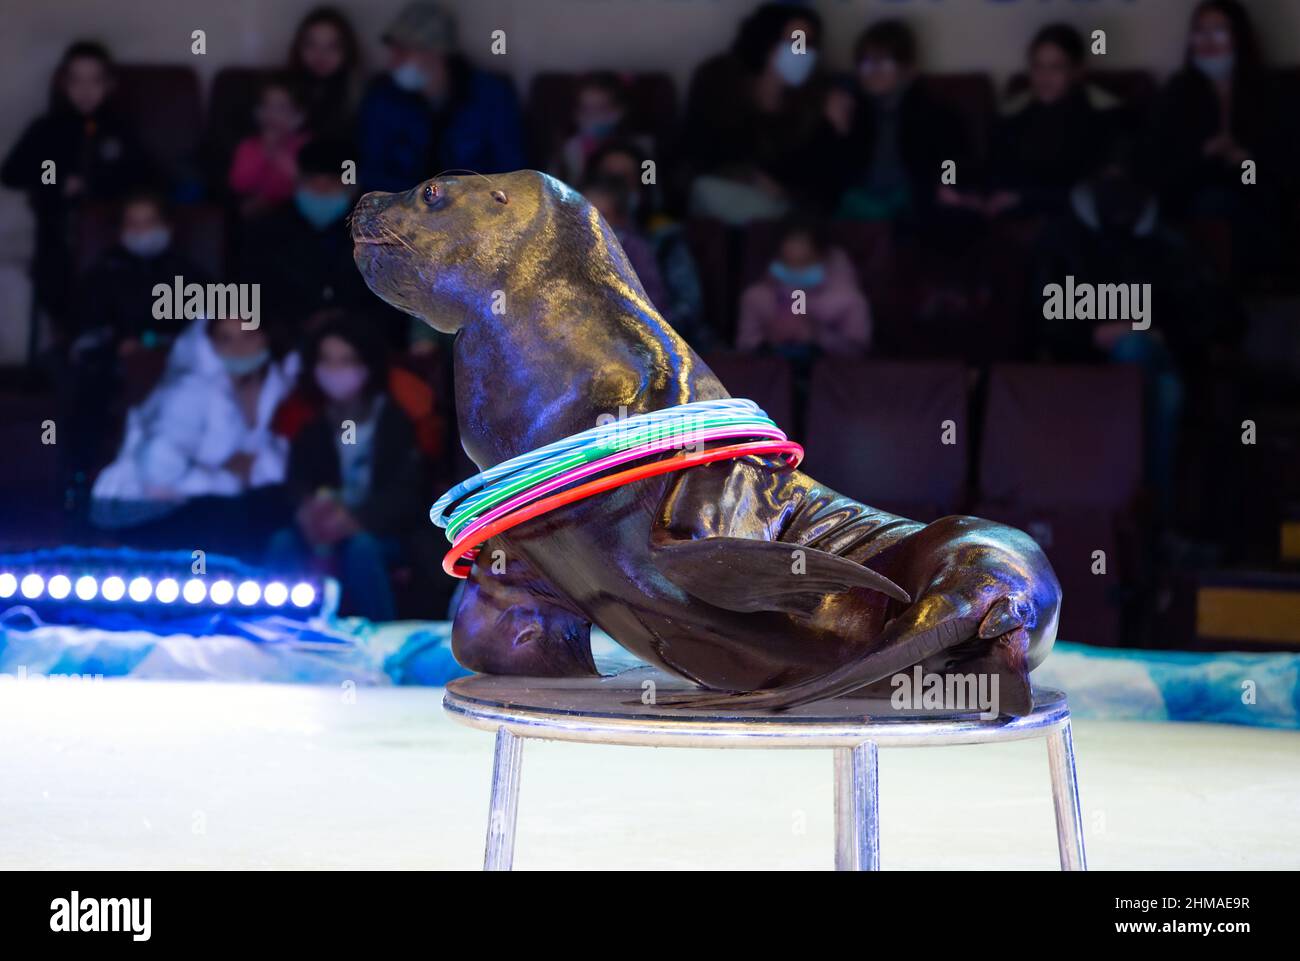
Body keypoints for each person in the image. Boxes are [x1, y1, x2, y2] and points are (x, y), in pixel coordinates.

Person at [89, 315, 296, 560]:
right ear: (210, 344)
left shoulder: (274, 388)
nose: (239, 348)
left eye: (248, 336)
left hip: (207, 507)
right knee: (236, 517)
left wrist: (240, 476)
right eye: (226, 339)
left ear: (264, 339)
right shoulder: (189, 390)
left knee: (272, 510)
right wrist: (228, 478)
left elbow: (272, 465)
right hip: (137, 507)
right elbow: (157, 471)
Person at [267, 320, 430, 621]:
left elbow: (408, 495)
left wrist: (358, 520)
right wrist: (308, 511)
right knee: (282, 542)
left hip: (380, 533)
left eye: (346, 360)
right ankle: (279, 633)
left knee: (361, 549)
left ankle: (380, 641)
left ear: (366, 366)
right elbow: (296, 485)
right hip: (322, 531)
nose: (335, 370)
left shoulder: (394, 423)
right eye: (326, 360)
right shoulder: (312, 428)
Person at [1, 42, 144, 329]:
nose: (85, 90)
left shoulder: (119, 129)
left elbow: (141, 176)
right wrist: (55, 181)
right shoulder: (47, 128)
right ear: (64, 84)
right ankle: (69, 340)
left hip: (109, 232)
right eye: (76, 81)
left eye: (94, 81)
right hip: (58, 234)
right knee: (60, 284)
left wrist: (97, 183)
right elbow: (12, 173)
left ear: (109, 84)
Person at [1146, 0, 1283, 277]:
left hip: (1253, 183)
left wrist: (1244, 159)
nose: (1208, 40)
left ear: (1238, 37)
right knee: (1209, 201)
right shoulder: (1178, 90)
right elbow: (1157, 161)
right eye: (1200, 31)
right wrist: (1204, 153)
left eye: (1219, 31)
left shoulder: (1267, 90)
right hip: (1192, 186)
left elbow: (1281, 159)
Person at [681, 2, 836, 223]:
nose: (803, 52)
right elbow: (696, 152)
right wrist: (749, 176)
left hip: (789, 217)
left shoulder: (814, 102)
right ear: (767, 42)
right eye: (795, 42)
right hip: (722, 202)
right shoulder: (719, 83)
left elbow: (820, 182)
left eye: (809, 44)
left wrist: (832, 127)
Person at [356, 1, 525, 191]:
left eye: (403, 52)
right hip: (406, 211)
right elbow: (372, 172)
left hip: (476, 212)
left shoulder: (491, 96)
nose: (393, 63)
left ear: (436, 51)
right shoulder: (382, 98)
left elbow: (513, 174)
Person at [824, 19, 969, 224]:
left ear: (908, 69)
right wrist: (840, 129)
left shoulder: (934, 112)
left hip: (912, 205)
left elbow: (952, 159)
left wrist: (947, 183)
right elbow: (832, 174)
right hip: (859, 204)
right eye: (865, 63)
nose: (873, 71)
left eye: (883, 62)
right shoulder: (850, 107)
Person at [979, 24, 1124, 219]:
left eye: (1056, 67)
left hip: (1081, 218)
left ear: (1077, 71)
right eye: (1038, 66)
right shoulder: (1012, 114)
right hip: (1019, 213)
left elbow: (1106, 186)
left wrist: (1028, 196)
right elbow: (994, 172)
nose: (1044, 77)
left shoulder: (1107, 115)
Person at [237, 138, 377, 339]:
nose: (319, 194)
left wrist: (342, 320)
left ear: (352, 188)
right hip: (283, 340)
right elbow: (250, 294)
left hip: (357, 343)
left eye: (329, 186)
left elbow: (389, 303)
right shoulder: (265, 231)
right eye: (311, 185)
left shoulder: (377, 236)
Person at [585, 140, 708, 348]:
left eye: (625, 178)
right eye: (609, 179)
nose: (618, 187)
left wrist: (640, 334)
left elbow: (690, 309)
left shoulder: (664, 237)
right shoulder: (567, 238)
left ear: (643, 184)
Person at [737, 217, 871, 360]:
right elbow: (745, 345)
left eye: (802, 242)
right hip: (771, 376)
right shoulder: (755, 297)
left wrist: (816, 335)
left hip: (828, 376)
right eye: (790, 242)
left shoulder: (849, 301)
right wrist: (769, 341)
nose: (795, 249)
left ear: (821, 252)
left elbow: (860, 351)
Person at [227, 75, 310, 218]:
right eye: (266, 106)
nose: (272, 114)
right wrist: (266, 151)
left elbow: (318, 186)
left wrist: (293, 172)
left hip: (297, 210)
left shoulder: (305, 144)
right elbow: (239, 184)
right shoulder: (249, 147)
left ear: (298, 116)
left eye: (282, 108)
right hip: (260, 213)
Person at [554, 72, 648, 186]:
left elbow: (653, 189)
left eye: (602, 109)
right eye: (585, 109)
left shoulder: (644, 147)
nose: (592, 117)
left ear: (621, 111)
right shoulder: (570, 149)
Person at [287, 6, 363, 140]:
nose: (320, 55)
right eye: (311, 45)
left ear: (347, 51)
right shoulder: (286, 90)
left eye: (332, 47)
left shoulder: (358, 94)